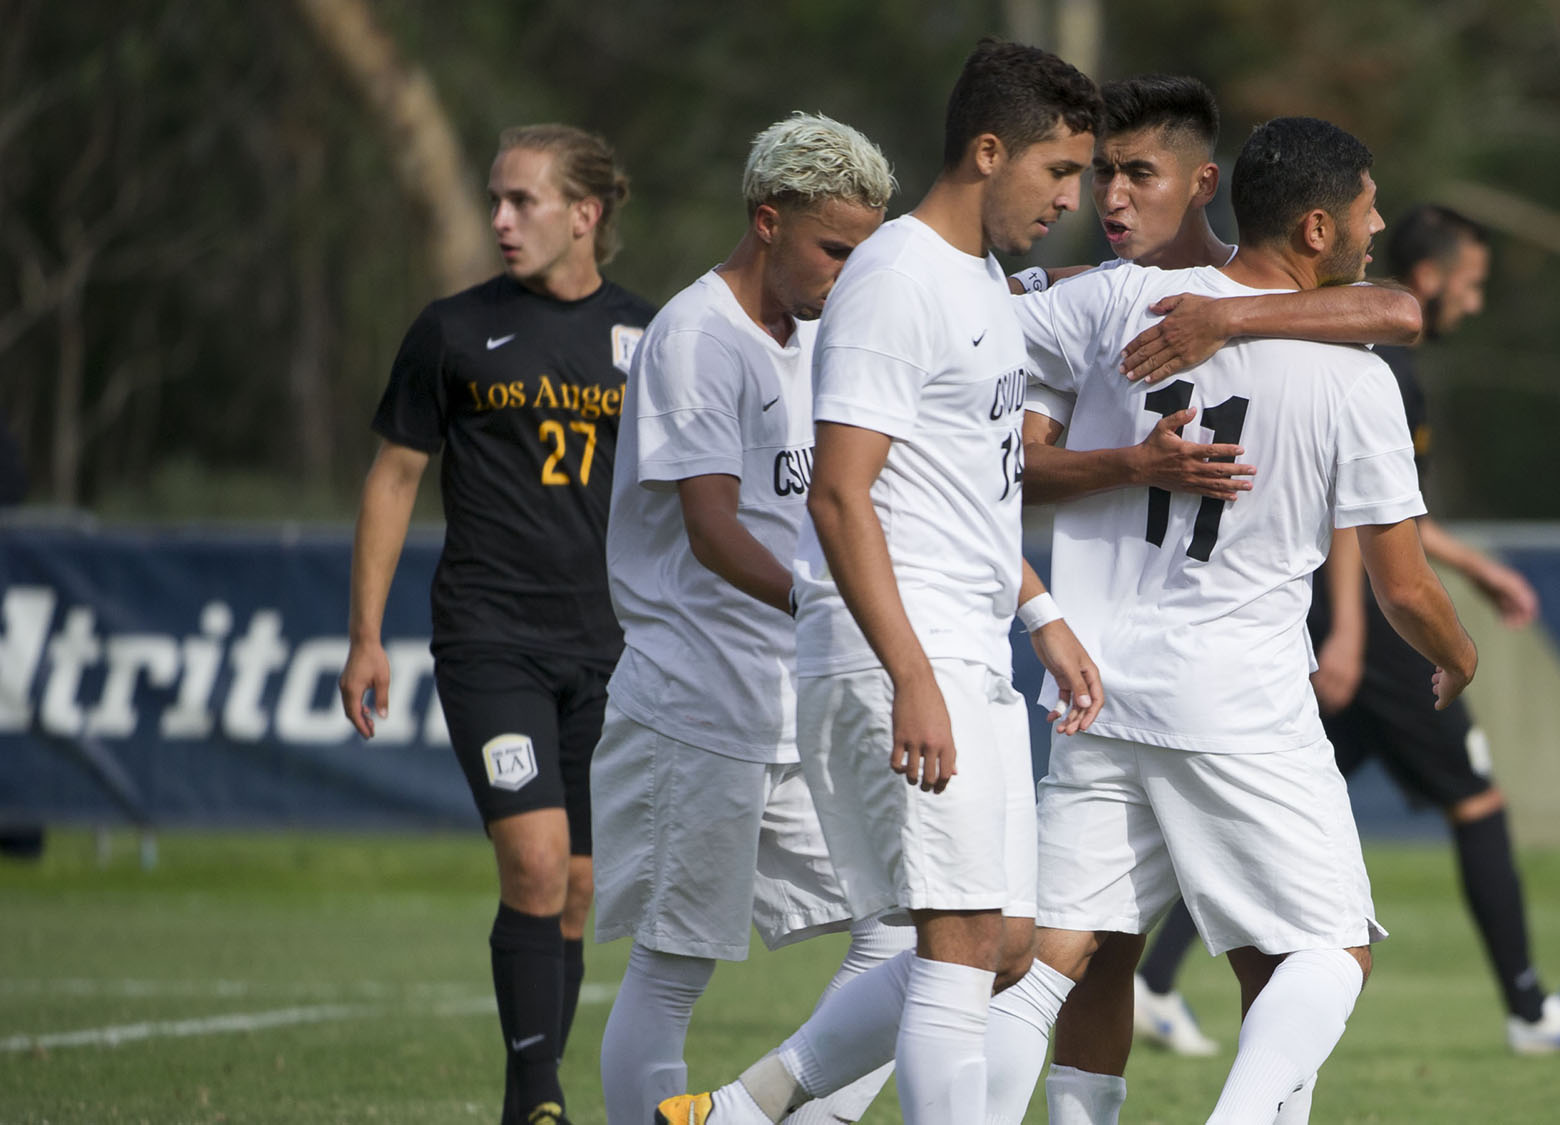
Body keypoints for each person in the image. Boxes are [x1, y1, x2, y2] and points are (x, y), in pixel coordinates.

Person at [985, 115, 1480, 1125]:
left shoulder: (1119, 298)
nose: (1377, 222)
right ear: (1312, 228)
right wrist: (1458, 654)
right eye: (1364, 207)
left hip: (1094, 685)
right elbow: (1404, 586)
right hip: (1234, 697)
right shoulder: (1355, 379)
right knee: (1327, 954)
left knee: (1054, 964)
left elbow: (972, 319)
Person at [655, 38, 1104, 1125]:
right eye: (1058, 171)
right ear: (987, 151)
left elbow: (967, 489)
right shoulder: (895, 278)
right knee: (953, 956)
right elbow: (838, 496)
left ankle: (744, 1110)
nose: (1069, 197)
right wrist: (910, 674)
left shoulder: (979, 280)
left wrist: (1037, 615)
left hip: (967, 646)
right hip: (901, 655)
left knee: (997, 948)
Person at [589, 113, 910, 1125]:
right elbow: (711, 530)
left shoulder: (821, 339)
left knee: (908, 931)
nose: (847, 272)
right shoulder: (694, 336)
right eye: (833, 248)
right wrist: (835, 601)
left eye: (864, 251)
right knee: (674, 972)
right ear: (766, 221)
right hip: (697, 707)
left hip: (796, 705)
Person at [338, 124, 655, 1125]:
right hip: (490, 639)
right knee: (531, 862)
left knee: (577, 888)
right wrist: (363, 634)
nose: (501, 220)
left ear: (585, 215)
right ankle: (535, 1097)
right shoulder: (452, 331)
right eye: (496, 201)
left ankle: (538, 1089)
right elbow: (393, 479)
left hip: (612, 653)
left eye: (522, 201)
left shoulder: (653, 339)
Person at [1312, 204, 1560, 1054]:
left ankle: (1152, 979)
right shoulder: (1385, 367)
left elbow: (1394, 515)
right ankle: (1531, 1011)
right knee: (1478, 799)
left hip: (1346, 612)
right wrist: (1348, 633)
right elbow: (1353, 519)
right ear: (1431, 277)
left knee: (1298, 790)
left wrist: (1477, 568)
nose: (1477, 300)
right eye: (1474, 281)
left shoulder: (1379, 357)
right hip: (1379, 627)